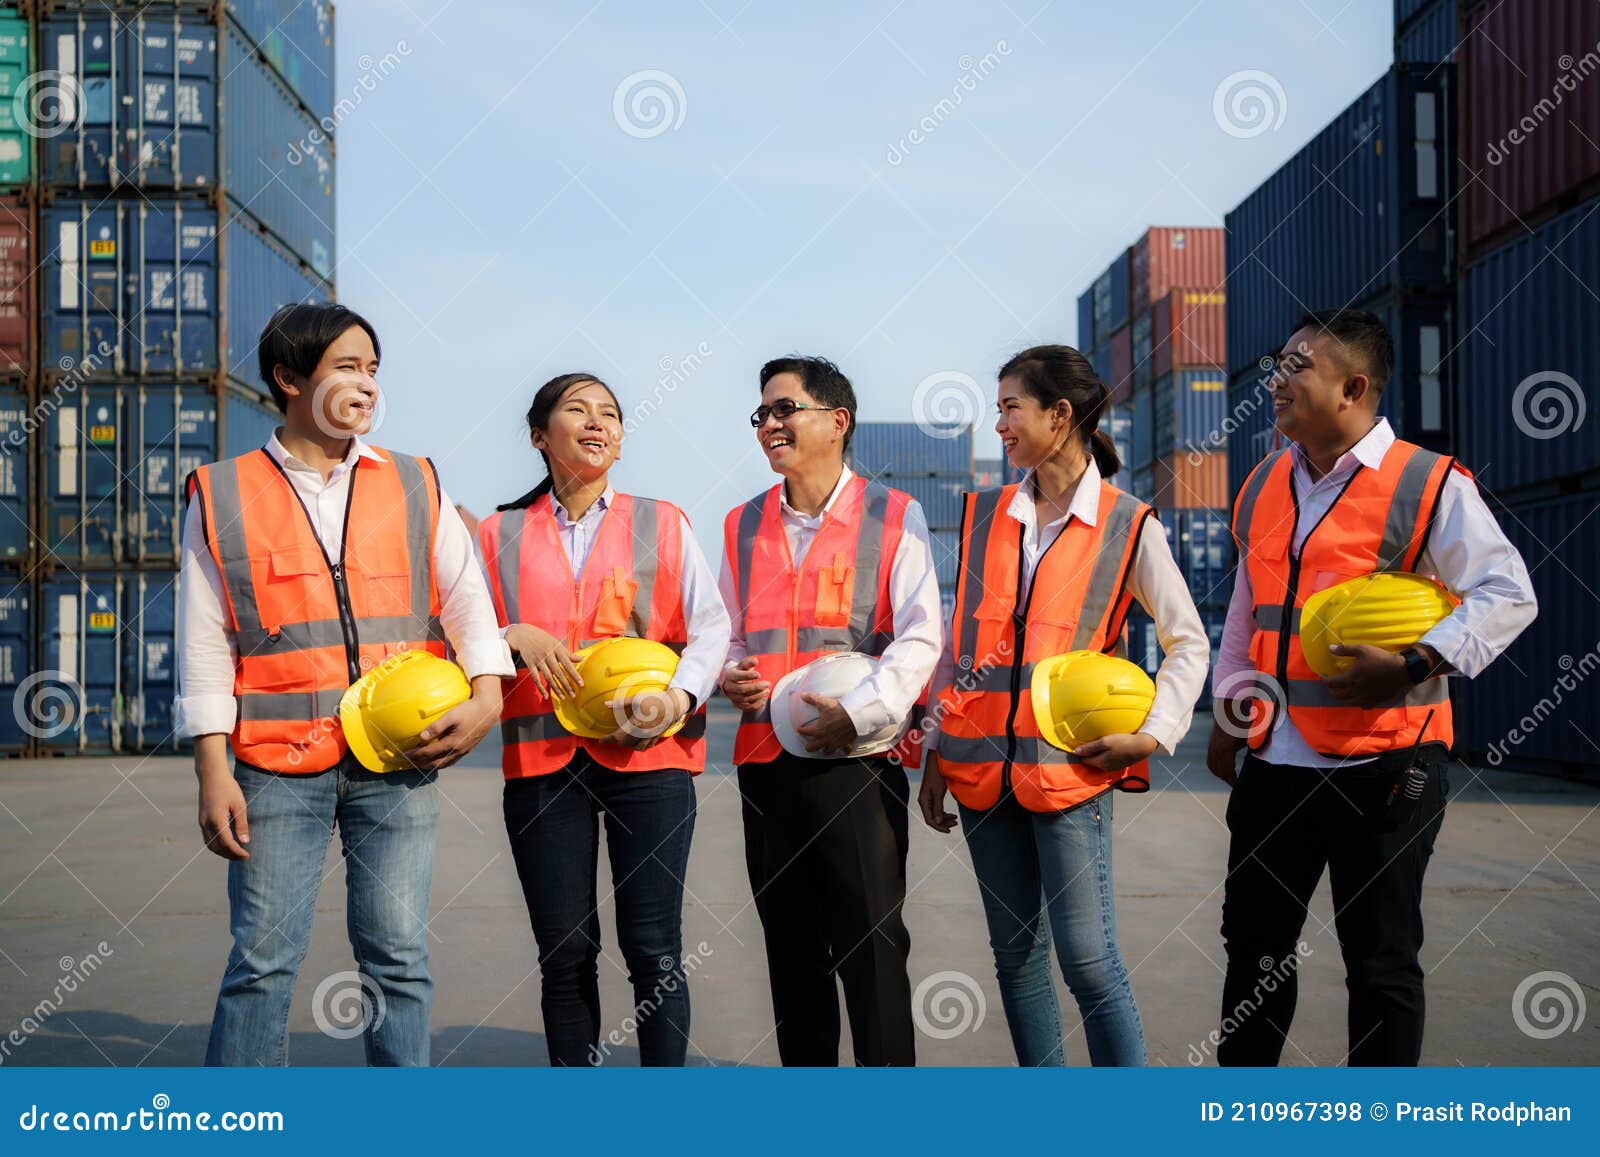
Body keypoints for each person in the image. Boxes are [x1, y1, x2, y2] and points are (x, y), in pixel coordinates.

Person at [178, 302, 511, 1066]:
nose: (366, 383)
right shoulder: (223, 492)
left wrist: (488, 695)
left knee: (397, 960)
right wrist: (211, 768)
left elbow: (468, 602)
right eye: (347, 367)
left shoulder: (414, 480)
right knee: (262, 964)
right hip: (272, 764)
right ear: (289, 377)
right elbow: (202, 637)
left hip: (398, 760)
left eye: (372, 369)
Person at [1209, 309, 1538, 1066]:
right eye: (1277, 363)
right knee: (1253, 953)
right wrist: (1231, 704)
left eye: (1296, 366)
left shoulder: (1429, 482)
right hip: (1276, 763)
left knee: (1380, 964)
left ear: (1353, 387)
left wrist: (1417, 662)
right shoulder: (1263, 482)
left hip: (1388, 768)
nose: (1276, 381)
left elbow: (1508, 592)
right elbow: (1247, 608)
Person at [917, 344, 1210, 1067]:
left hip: (1070, 771)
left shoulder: (1127, 524)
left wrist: (1153, 733)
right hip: (981, 774)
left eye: (1010, 407)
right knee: (1015, 957)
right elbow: (961, 649)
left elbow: (1188, 642)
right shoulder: (983, 516)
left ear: (1060, 414)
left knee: (1087, 959)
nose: (1000, 425)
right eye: (998, 409)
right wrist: (933, 751)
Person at [477, 373, 730, 1067]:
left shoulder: (663, 522)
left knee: (653, 948)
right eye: (577, 410)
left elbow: (712, 631)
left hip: (649, 760)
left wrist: (679, 700)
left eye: (611, 413)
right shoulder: (495, 533)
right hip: (541, 764)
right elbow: (456, 637)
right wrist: (510, 635)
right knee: (564, 950)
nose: (598, 422)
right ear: (539, 436)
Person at [718, 356, 941, 1066]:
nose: (769, 425)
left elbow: (920, 636)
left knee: (872, 949)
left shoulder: (893, 515)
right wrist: (731, 673)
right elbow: (723, 631)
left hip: (857, 767)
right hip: (766, 766)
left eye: (784, 409)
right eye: (761, 414)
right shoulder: (739, 523)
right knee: (791, 955)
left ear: (836, 420)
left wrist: (861, 710)